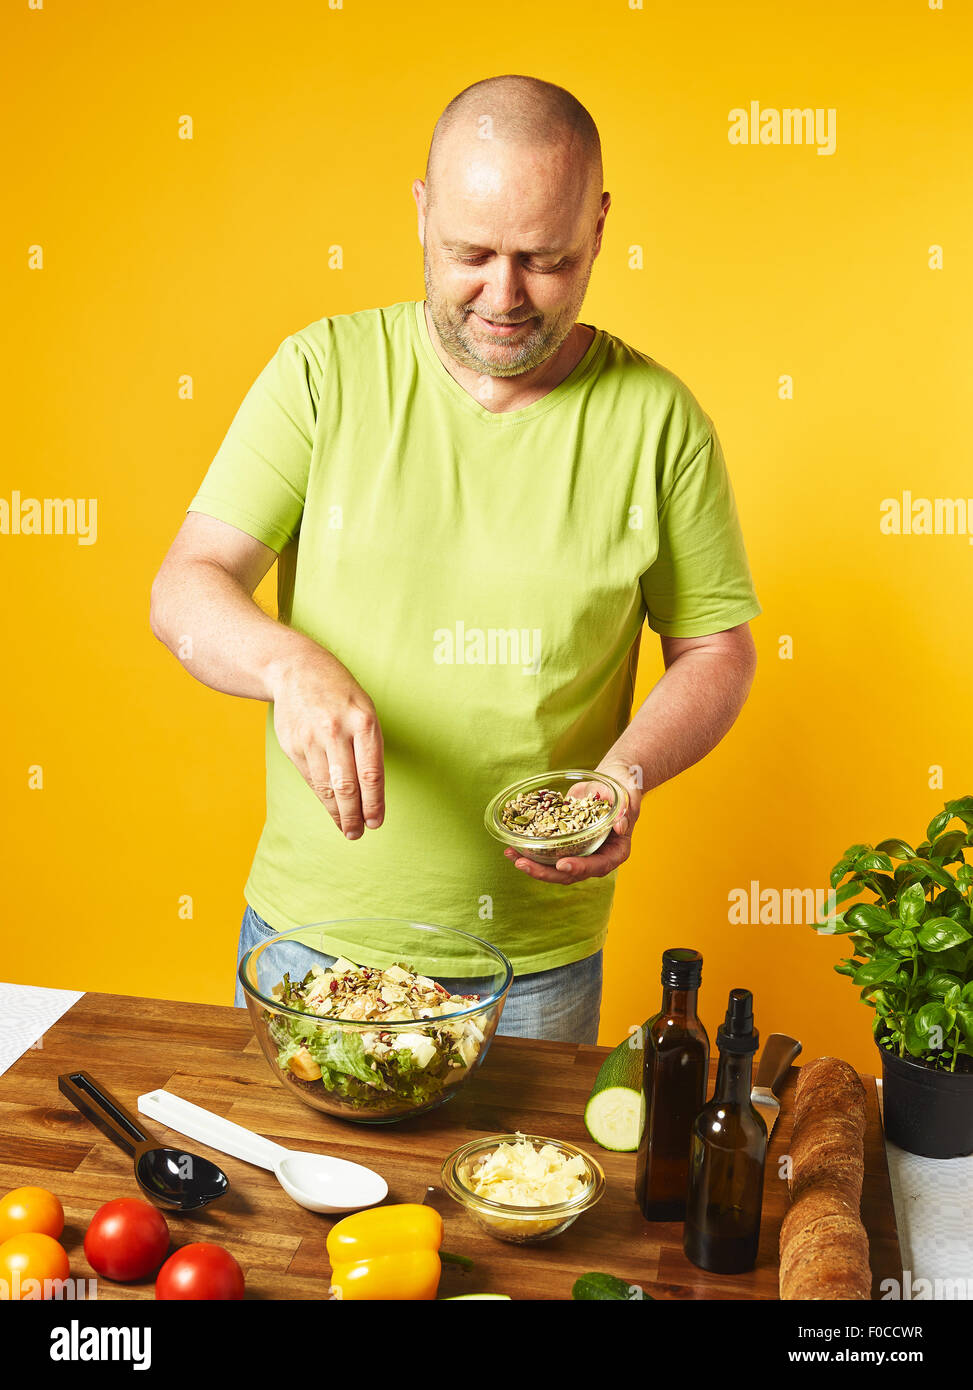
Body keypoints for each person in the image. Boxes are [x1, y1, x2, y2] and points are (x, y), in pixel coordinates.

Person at [149, 74, 760, 1043]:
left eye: (545, 260)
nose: (503, 297)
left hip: (533, 969)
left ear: (599, 228)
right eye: (470, 253)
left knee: (510, 1196)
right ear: (421, 211)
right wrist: (289, 665)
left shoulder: (659, 421)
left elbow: (715, 650)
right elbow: (188, 584)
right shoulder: (321, 372)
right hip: (311, 939)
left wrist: (623, 776)